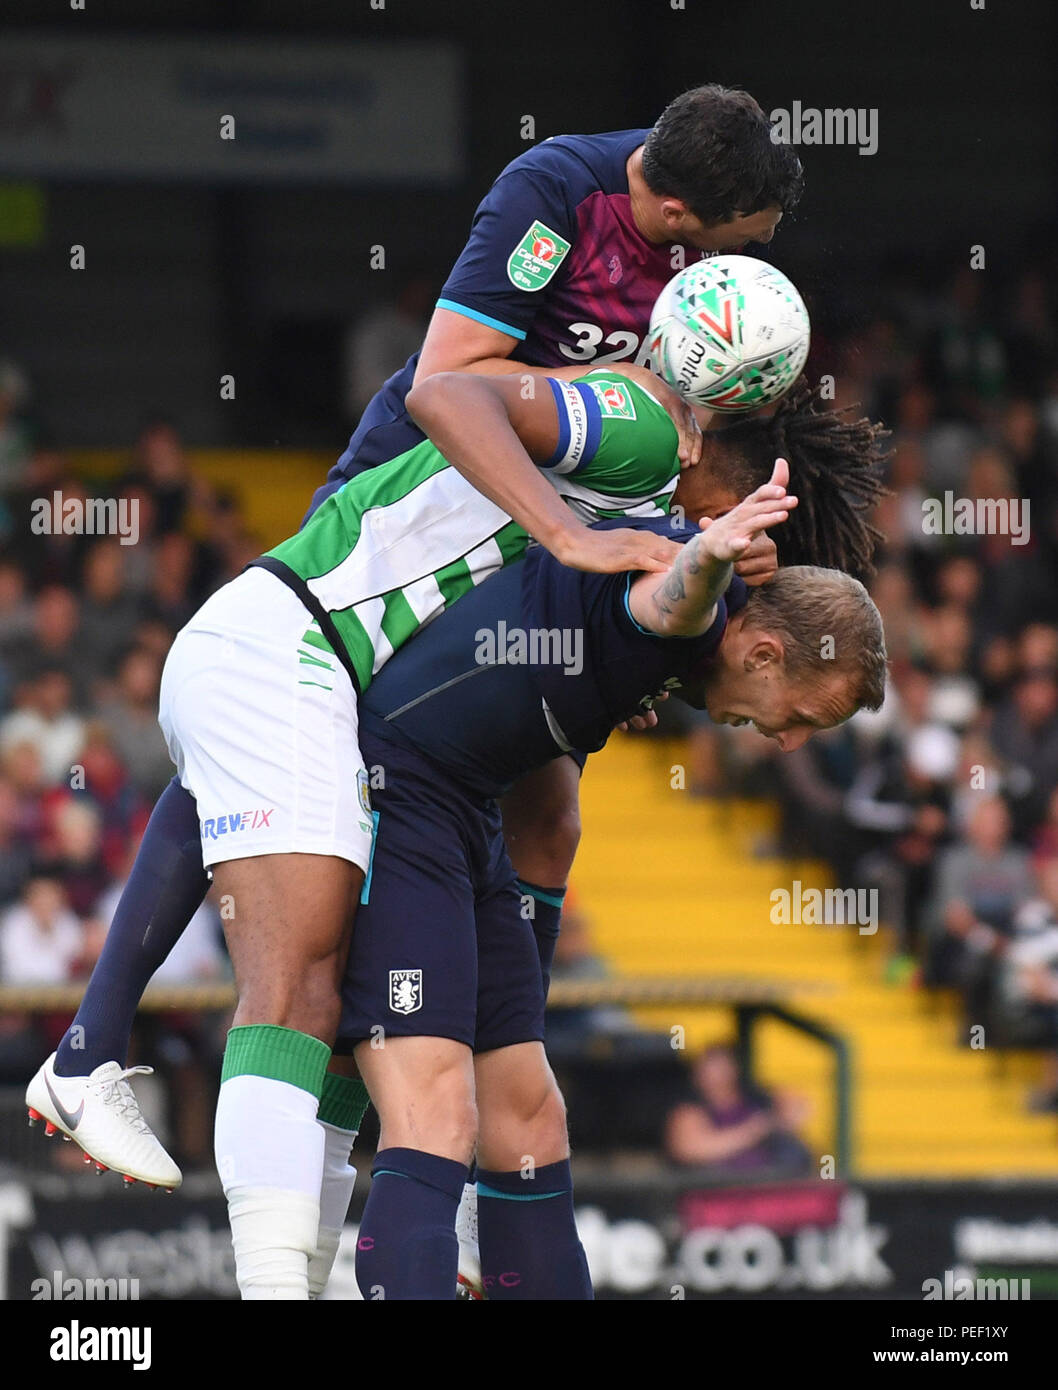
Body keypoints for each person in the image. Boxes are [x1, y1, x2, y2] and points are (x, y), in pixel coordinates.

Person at [333, 461, 884, 1299]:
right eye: (801, 717)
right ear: (765, 650)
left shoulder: (679, 656)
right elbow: (673, 597)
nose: (789, 743)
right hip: (395, 789)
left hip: (469, 813)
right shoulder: (685, 599)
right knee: (435, 1115)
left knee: (531, 1114)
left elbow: (555, 814)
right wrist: (707, 552)